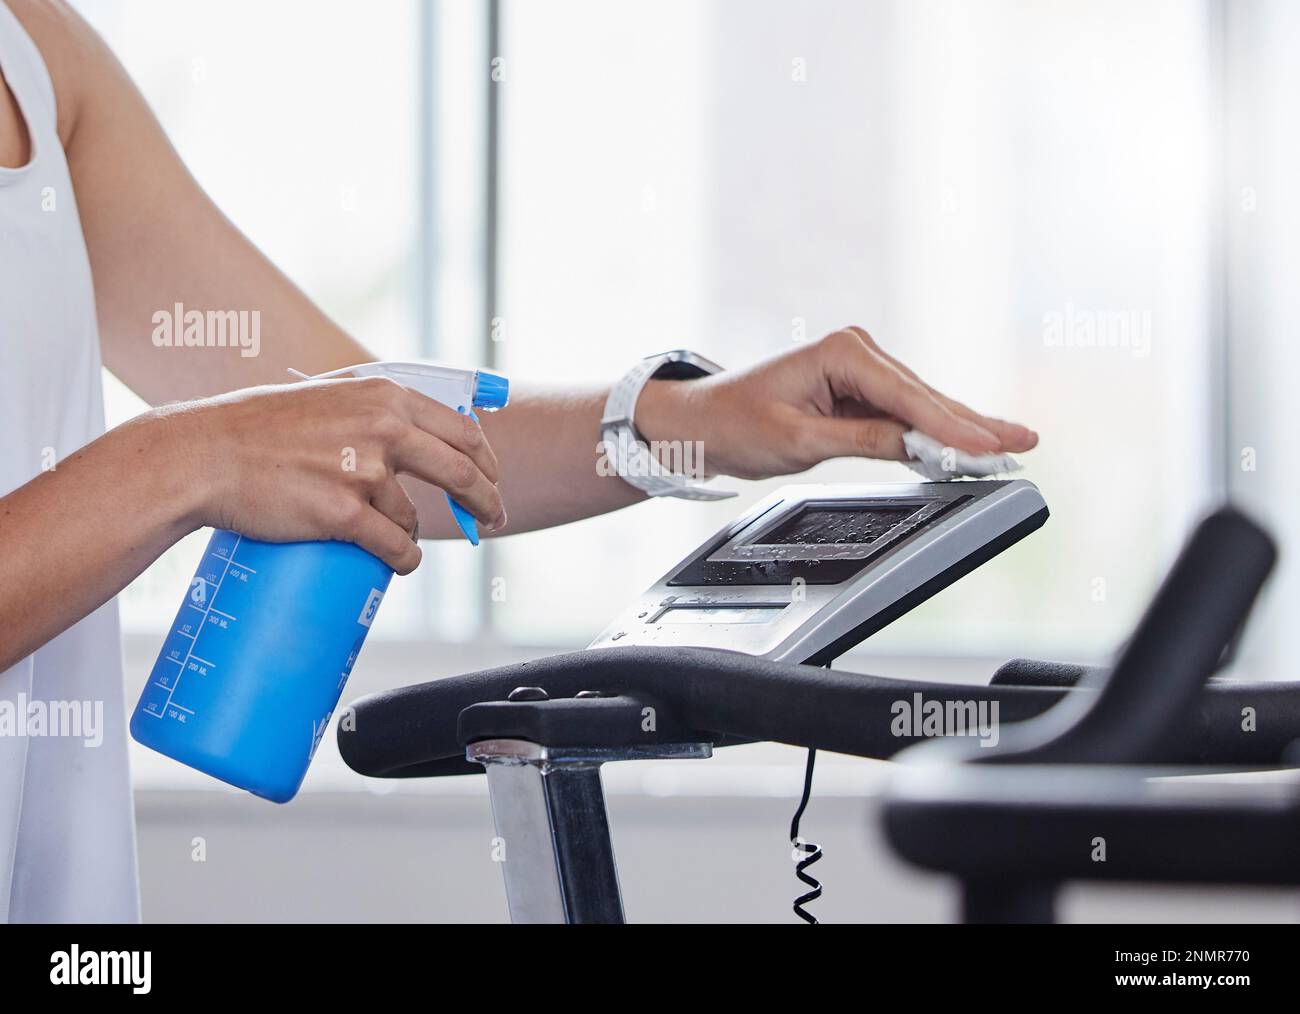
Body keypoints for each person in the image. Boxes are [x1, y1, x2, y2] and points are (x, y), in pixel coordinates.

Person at [0, 0, 1037, 922]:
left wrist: (688, 420)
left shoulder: (40, 58)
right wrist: (176, 464)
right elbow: (233, 446)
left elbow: (373, 441)